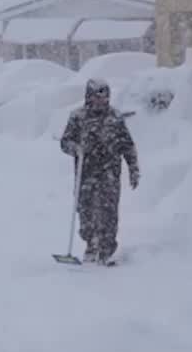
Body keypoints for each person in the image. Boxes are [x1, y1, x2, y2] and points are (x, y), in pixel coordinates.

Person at [58, 78, 139, 265]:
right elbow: (65, 142)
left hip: (110, 172)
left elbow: (127, 145)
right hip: (86, 173)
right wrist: (75, 147)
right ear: (89, 97)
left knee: (108, 212)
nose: (101, 101)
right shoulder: (78, 117)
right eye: (97, 97)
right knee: (85, 210)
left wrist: (133, 168)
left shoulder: (115, 118)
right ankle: (90, 244)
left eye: (104, 97)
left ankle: (106, 249)